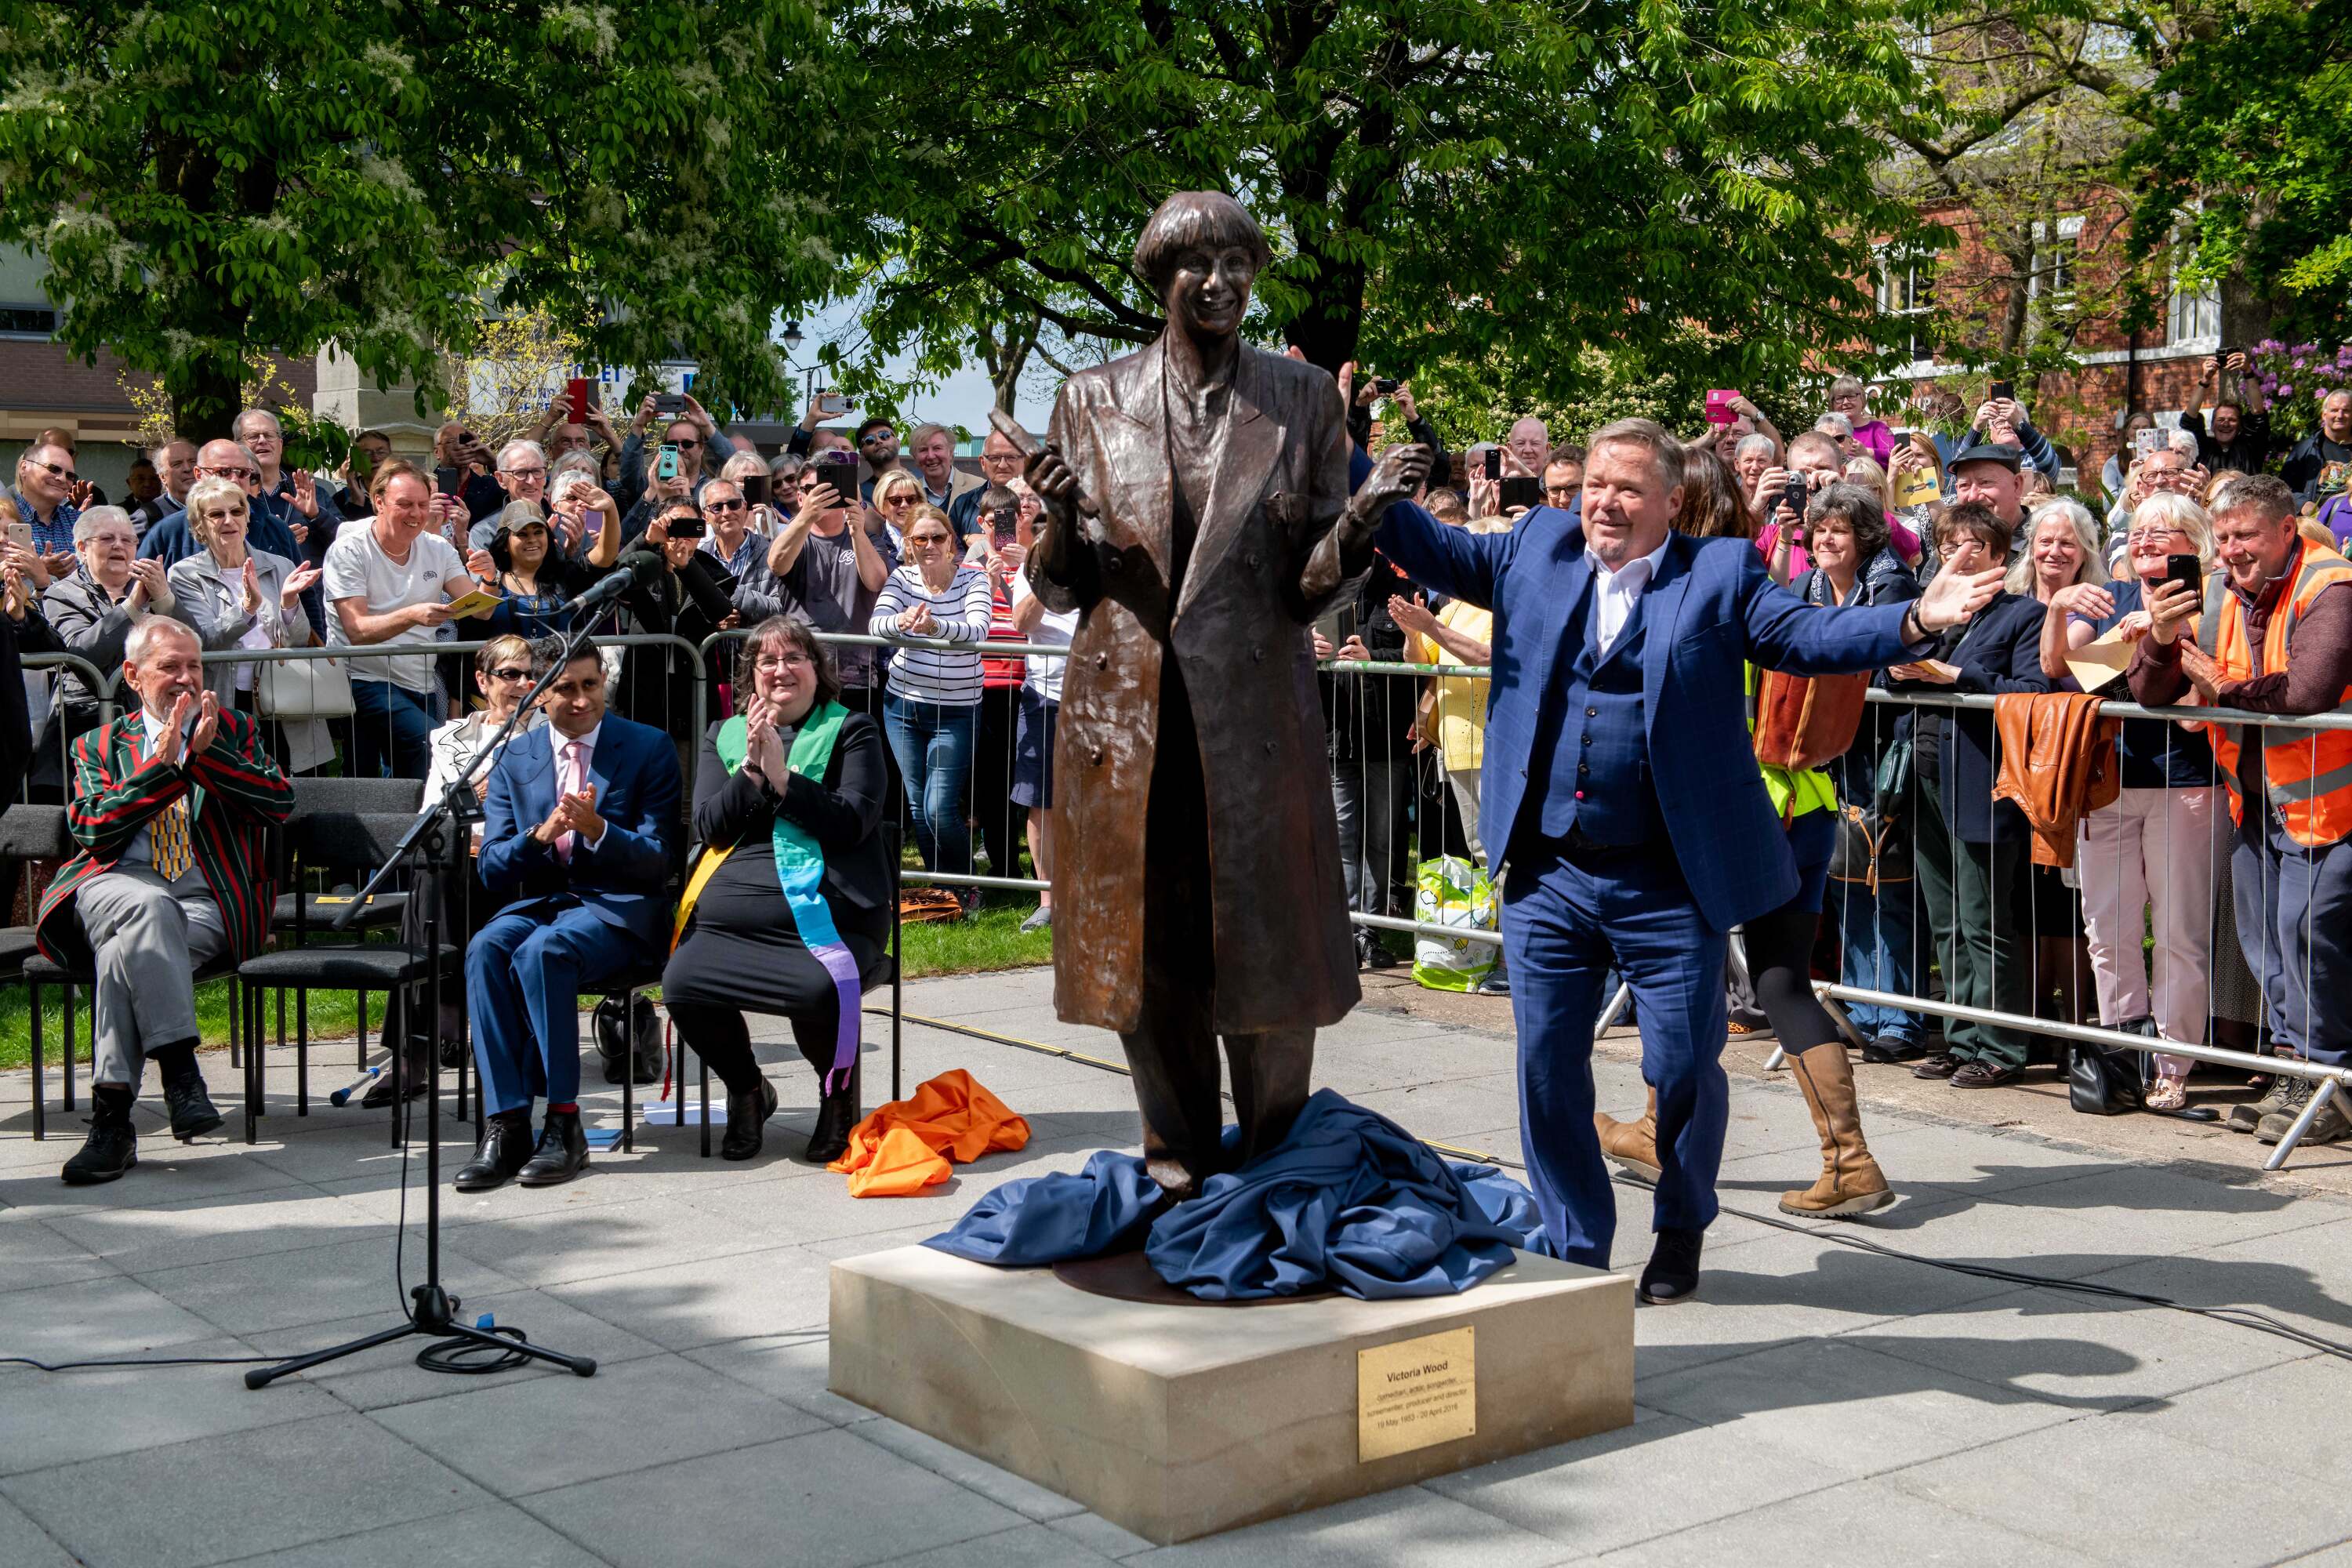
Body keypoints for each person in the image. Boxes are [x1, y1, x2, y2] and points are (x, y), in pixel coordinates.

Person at [1364, 416, 1999, 1300]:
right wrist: (1333, 443)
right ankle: (1577, 1245)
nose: (1604, 503)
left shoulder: (1720, 572)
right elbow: (1417, 540)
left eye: (1627, 489)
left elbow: (1806, 637)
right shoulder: (1536, 547)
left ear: (1670, 500)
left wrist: (1915, 619)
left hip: (1666, 878)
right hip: (1549, 871)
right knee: (1546, 1067)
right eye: (1595, 485)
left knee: (1683, 1066)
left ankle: (1680, 1222)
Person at [1603, 480, 1907, 1216]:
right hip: (1808, 804)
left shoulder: (1688, 595)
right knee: (1780, 981)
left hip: (1729, 812)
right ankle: (1850, 1160)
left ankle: (1662, 1132)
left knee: (1681, 974)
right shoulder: (1764, 587)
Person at [34, 618, 293, 1184]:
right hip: (111, 884)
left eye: (193, 665)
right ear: (132, 675)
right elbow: (94, 829)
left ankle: (112, 1124)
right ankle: (180, 1072)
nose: (185, 677)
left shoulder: (235, 729)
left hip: (205, 898)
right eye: (169, 666)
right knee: (146, 907)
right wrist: (165, 767)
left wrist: (205, 757)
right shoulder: (97, 745)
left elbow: (278, 803)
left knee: (123, 953)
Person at [2134, 474, 2352, 1145]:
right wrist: (2162, 638)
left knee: (2309, 937)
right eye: (2223, 537)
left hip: (2330, 805)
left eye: (2246, 535)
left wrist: (2222, 686)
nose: (2232, 550)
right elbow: (2151, 692)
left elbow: (2308, 692)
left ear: (2286, 529)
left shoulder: (2332, 586)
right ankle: (2292, 1070)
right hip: (2253, 802)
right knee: (2266, 944)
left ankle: (2331, 1082)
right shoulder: (2219, 591)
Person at [663, 618, 893, 1161]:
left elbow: (852, 822)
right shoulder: (724, 735)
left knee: (816, 988)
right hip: (728, 918)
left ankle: (837, 1098)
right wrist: (751, 770)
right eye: (767, 661)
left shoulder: (853, 730)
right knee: (682, 984)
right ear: (752, 676)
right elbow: (709, 826)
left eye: (794, 657)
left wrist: (785, 780)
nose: (781, 670)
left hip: (829, 908)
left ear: (817, 669)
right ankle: (747, 1089)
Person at [459, 641, 680, 1192]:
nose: (581, 700)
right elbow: (492, 868)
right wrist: (541, 836)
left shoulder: (647, 746)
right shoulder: (516, 756)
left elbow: (660, 861)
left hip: (621, 910)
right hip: (546, 904)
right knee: (486, 948)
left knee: (544, 951)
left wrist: (599, 830)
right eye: (566, 689)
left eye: (591, 685)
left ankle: (564, 1123)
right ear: (540, 693)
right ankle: (507, 1123)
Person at [2042, 491, 2219, 1111]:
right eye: (2139, 530)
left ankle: (2172, 1065)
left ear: (2193, 543)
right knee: (2107, 929)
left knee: (2177, 933)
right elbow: (2062, 668)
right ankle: (2122, 1055)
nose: (2144, 540)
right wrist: (2066, 609)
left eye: (2161, 532)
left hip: (2185, 782)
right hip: (2108, 782)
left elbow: (2198, 710)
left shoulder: (2213, 601)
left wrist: (2166, 637)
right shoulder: (2112, 596)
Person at [1890, 503, 2051, 1091]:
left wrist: (1956, 677)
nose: (1957, 557)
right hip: (1925, 776)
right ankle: (1960, 1041)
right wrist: (1897, 672)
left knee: (1983, 920)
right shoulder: (1932, 614)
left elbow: (2032, 690)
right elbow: (1891, 673)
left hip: (1982, 783)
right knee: (1945, 920)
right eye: (1947, 546)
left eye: (1972, 546)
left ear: (2000, 557)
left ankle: (2001, 1047)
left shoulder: (2023, 614)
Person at [1793, 487, 1929, 1065]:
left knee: (1887, 883)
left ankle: (1900, 1016)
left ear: (1866, 536)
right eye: (1820, 529)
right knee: (1844, 881)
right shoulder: (1807, 586)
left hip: (1882, 754)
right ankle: (1860, 1008)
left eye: (1840, 530)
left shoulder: (1890, 585)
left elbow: (1880, 662)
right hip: (1828, 754)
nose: (1827, 539)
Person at [387, 634, 550, 1103]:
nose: (523, 684)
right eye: (510, 674)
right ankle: (419, 1045)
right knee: (433, 873)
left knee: (441, 879)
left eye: (531, 675)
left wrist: (486, 801)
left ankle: (435, 1026)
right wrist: (471, 806)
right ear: (482, 680)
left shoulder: (550, 734)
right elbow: (432, 812)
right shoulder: (450, 737)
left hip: (525, 859)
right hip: (462, 857)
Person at [2005, 499, 2109, 1023]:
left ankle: (2074, 1026)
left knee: (2066, 900)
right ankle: (2032, 1019)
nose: (2054, 551)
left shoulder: (2095, 603)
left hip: (2069, 768)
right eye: (2045, 540)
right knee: (2026, 897)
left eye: (2067, 542)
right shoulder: (2009, 596)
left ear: (2085, 551)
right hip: (2016, 762)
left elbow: (2057, 664)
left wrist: (2059, 606)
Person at [325, 459, 496, 779]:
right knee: (430, 748)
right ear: (379, 502)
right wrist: (412, 615)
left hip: (421, 683)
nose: (416, 513)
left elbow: (481, 609)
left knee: (416, 781)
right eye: (405, 504)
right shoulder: (348, 550)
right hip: (363, 681)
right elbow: (357, 630)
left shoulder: (438, 548)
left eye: (422, 504)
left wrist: (489, 578)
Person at [1391, 556, 1510, 997]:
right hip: (1458, 747)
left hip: (1495, 747)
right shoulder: (1454, 605)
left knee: (1503, 857)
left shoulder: (1501, 603)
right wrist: (1413, 634)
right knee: (1484, 855)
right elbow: (1422, 664)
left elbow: (1488, 658)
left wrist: (1431, 627)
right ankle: (1498, 955)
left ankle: (1512, 961)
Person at [167, 476, 331, 774]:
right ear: (199, 526)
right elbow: (204, 640)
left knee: (294, 782)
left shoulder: (279, 565)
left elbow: (298, 640)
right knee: (234, 782)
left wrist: (289, 602)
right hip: (227, 696)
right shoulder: (184, 575)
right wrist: (247, 608)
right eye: (216, 514)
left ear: (247, 519)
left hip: (285, 695)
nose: (229, 520)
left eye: (237, 511)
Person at [869, 504, 991, 898]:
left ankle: (966, 881)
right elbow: (877, 624)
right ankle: (943, 889)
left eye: (937, 537)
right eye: (920, 538)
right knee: (919, 807)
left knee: (939, 807)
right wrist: (901, 622)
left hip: (957, 709)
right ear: (908, 544)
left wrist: (935, 626)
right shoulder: (901, 578)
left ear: (951, 541)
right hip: (902, 707)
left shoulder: (973, 579)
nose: (929, 545)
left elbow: (979, 630)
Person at [34, 508, 187, 793]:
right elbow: (82, 654)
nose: (119, 546)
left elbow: (195, 645)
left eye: (128, 540)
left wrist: (165, 600)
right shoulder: (63, 593)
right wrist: (131, 608)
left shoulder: (152, 585)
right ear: (82, 548)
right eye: (107, 539)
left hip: (150, 723)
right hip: (83, 726)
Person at [740, 458, 896, 715]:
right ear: (800, 497)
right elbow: (777, 563)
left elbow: (876, 581)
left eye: (828, 488)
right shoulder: (795, 538)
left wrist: (857, 530)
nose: (820, 496)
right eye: (811, 489)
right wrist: (806, 516)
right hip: (800, 670)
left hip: (856, 675)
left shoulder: (867, 539)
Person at [1004, 523, 1076, 934]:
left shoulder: (1104, 564)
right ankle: (1048, 900)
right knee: (1041, 801)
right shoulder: (1032, 568)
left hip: (1104, 697)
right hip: (1045, 698)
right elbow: (1022, 622)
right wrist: (1046, 576)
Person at [968, 485, 1032, 888]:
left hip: (1026, 682)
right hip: (986, 683)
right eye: (994, 523)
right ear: (982, 523)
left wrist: (1027, 567)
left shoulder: (1033, 564)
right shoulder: (970, 568)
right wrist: (990, 579)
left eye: (1009, 521)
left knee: (1024, 778)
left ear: (1021, 521)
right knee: (993, 781)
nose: (1001, 531)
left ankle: (1030, 866)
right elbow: (970, 617)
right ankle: (1003, 866)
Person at [136, 441, 303, 569]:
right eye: (223, 472)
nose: (234, 480)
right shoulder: (167, 533)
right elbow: (139, 594)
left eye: (242, 472)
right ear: (199, 475)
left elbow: (304, 596)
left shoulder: (277, 530)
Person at [481, 492, 623, 643]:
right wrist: (489, 580)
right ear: (504, 544)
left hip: (563, 658)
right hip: (507, 659)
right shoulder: (491, 582)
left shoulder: (566, 575)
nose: (532, 539)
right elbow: (479, 617)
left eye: (538, 532)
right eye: (522, 534)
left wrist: (610, 510)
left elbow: (605, 556)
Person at [2183, 354, 2271, 474]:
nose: (2225, 424)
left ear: (2240, 426)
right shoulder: (2202, 447)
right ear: (2212, 425)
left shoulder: (2250, 447)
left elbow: (2258, 413)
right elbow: (2190, 417)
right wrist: (2205, 380)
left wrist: (2248, 372)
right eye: (2220, 419)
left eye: (2232, 420)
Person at [2281, 390, 2352, 509]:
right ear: (2324, 415)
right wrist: (2303, 504)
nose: (2340, 415)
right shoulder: (2306, 449)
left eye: (2346, 411)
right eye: (2334, 410)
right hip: (2315, 518)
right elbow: (2283, 487)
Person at [908, 422, 980, 514]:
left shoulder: (980, 488)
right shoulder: (908, 494)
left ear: (951, 453)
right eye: (923, 450)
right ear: (915, 457)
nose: (931, 456)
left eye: (937, 448)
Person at [1825, 375, 1896, 466]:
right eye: (1840, 398)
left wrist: (1867, 453)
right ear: (1832, 404)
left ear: (1862, 399)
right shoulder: (1826, 432)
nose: (1846, 402)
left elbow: (1896, 454)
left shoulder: (1877, 428)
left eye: (1851, 396)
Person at [136, 440, 197, 535]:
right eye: (177, 464)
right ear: (163, 477)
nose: (188, 468)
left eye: (193, 462)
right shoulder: (147, 517)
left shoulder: (217, 507)